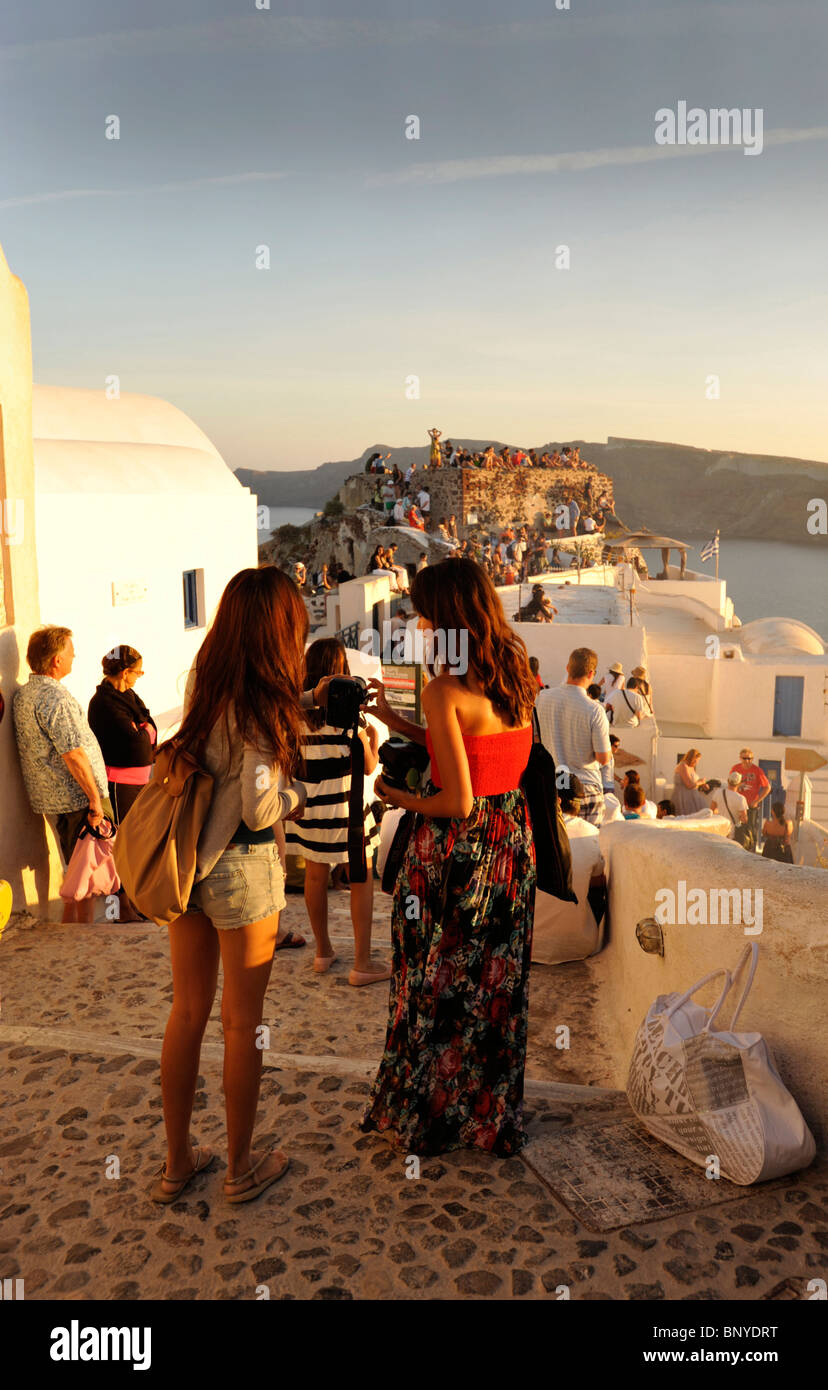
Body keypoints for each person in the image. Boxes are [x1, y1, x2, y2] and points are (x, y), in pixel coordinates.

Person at [151, 566, 319, 1206]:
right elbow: (258, 806)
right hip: (242, 870)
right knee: (240, 1025)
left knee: (187, 1012)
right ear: (281, 628)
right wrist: (298, 795)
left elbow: (217, 753)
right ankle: (241, 1170)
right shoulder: (268, 696)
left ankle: (176, 1166)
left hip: (187, 861)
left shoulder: (204, 675)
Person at [362, 557, 537, 1156]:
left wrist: (396, 797)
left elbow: (456, 799)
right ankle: (485, 1116)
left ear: (448, 616)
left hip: (455, 856)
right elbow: (476, 753)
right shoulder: (515, 670)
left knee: (433, 983)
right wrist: (397, 721)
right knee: (495, 983)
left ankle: (433, 1115)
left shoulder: (444, 687)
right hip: (510, 841)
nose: (422, 624)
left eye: (426, 615)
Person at [285, 639, 389, 987]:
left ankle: (322, 952)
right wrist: (372, 738)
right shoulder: (349, 719)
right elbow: (369, 766)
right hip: (349, 813)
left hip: (311, 811)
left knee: (316, 877)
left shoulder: (294, 718)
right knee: (360, 880)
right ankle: (361, 962)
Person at [13, 626, 113, 924]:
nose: (74, 656)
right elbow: (73, 754)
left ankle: (82, 926)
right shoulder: (52, 699)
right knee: (85, 869)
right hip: (75, 798)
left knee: (78, 866)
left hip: (54, 798)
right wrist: (95, 800)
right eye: (70, 651)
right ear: (56, 660)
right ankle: (80, 932)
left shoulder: (26, 694)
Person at [535, 648, 612, 826]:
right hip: (585, 789)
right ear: (592, 673)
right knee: (587, 846)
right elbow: (603, 758)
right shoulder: (595, 710)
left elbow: (536, 740)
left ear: (568, 668)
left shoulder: (542, 698)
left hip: (552, 787)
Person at [87, 645, 157, 825]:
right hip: (121, 786)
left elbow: (150, 726)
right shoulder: (103, 703)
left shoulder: (129, 695)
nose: (139, 676)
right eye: (138, 672)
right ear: (126, 673)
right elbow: (136, 743)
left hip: (141, 781)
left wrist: (144, 729)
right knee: (125, 835)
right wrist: (145, 730)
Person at [730, 749, 771, 846]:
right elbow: (731, 784)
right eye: (744, 758)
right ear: (740, 758)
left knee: (750, 830)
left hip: (750, 806)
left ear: (752, 759)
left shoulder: (757, 771)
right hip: (737, 805)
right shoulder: (735, 768)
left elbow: (767, 787)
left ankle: (750, 851)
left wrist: (757, 801)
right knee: (736, 829)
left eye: (749, 758)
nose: (747, 761)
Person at [672, 749, 710, 816]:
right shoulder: (682, 766)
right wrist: (700, 782)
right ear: (691, 758)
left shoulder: (691, 767)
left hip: (693, 798)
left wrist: (702, 784)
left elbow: (694, 782)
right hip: (683, 798)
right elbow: (689, 785)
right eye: (695, 760)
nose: (696, 763)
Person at [721, 771, 750, 843]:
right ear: (739, 783)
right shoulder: (741, 798)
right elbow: (744, 819)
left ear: (728, 781)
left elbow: (712, 810)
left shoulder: (718, 793)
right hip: (733, 833)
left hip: (720, 831)